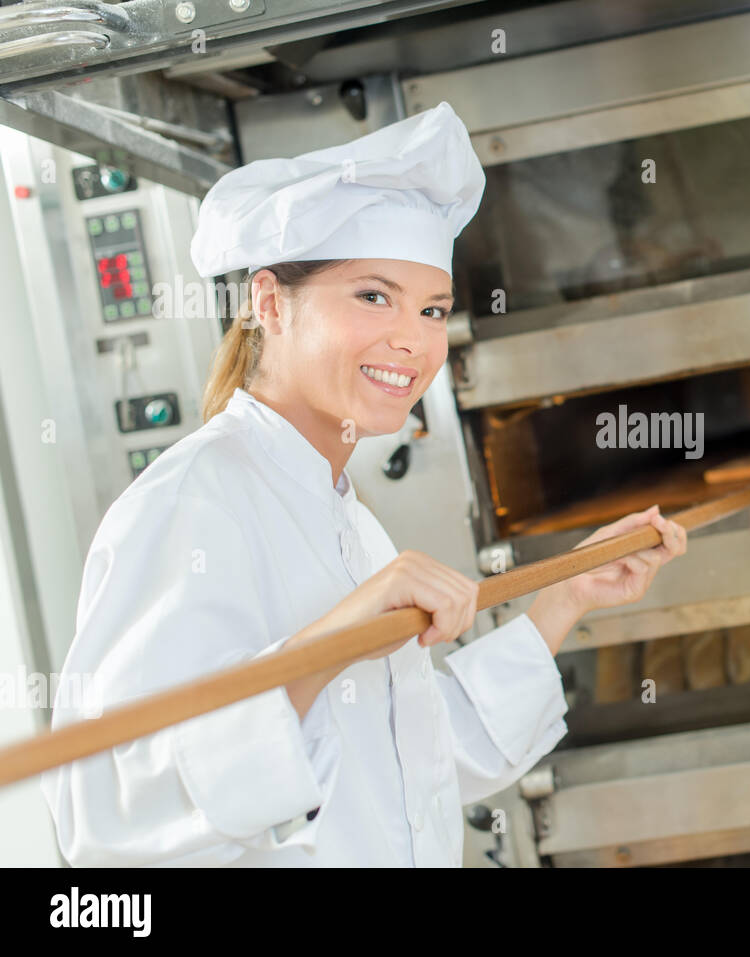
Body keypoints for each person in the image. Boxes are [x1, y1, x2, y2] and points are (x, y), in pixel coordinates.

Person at [40, 103, 687, 867]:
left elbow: (412, 768)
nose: (412, 338)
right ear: (270, 302)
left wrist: (567, 597)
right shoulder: (194, 501)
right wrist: (332, 637)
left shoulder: (341, 509)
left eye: (433, 308)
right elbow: (111, 815)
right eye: (374, 296)